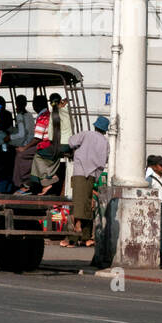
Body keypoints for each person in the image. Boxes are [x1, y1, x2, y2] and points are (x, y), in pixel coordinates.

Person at [64, 115, 110, 246]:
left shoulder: (86, 134)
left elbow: (71, 142)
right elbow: (104, 160)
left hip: (80, 172)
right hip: (93, 174)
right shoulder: (105, 142)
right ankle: (85, 236)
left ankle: (75, 233)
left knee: (78, 202)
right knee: (87, 203)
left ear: (95, 126)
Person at [27, 93, 71, 196]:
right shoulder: (68, 112)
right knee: (50, 156)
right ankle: (48, 179)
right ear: (61, 102)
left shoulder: (52, 115)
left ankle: (48, 180)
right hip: (68, 145)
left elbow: (51, 137)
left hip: (58, 145)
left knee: (38, 155)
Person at [12, 93, 48, 189]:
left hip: (43, 144)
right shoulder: (31, 115)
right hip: (38, 141)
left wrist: (24, 147)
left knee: (21, 155)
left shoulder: (42, 117)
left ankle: (21, 182)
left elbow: (36, 138)